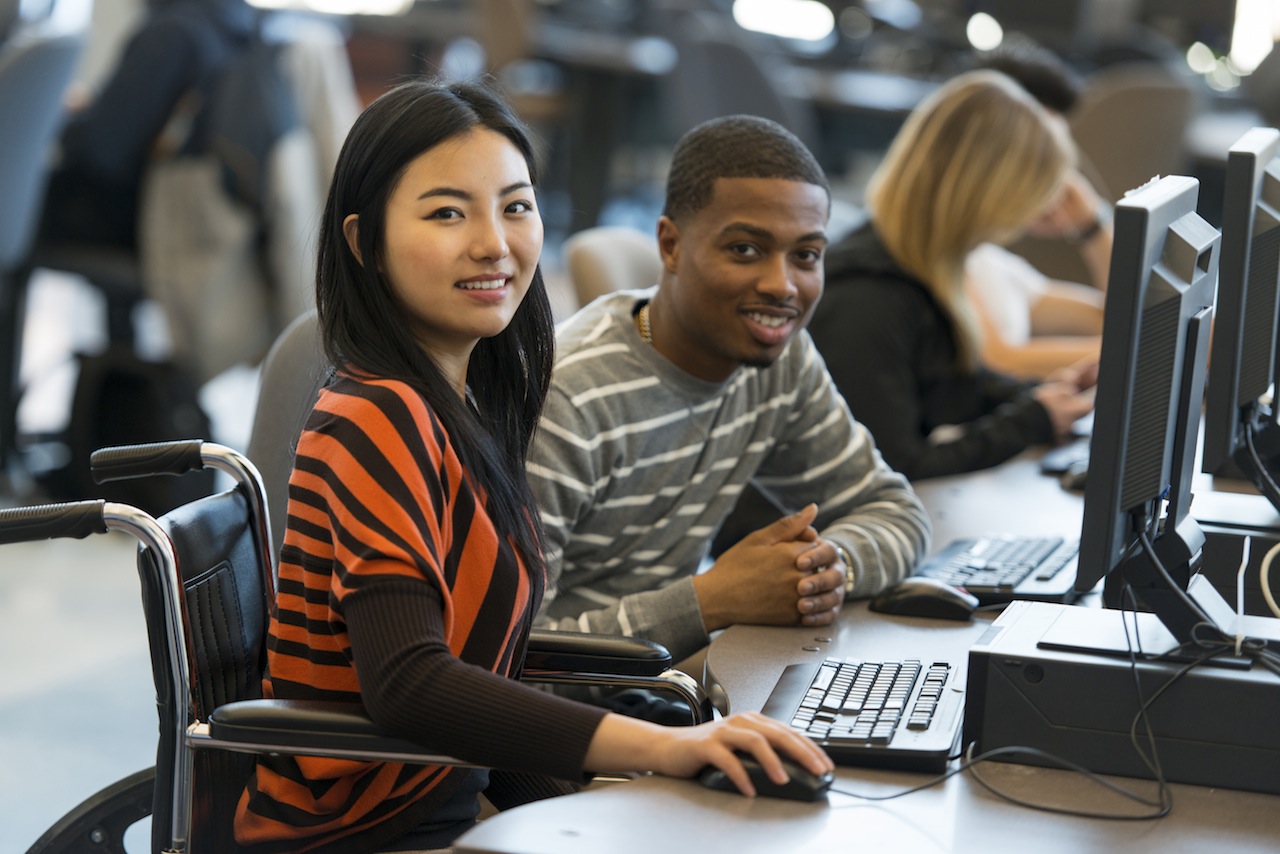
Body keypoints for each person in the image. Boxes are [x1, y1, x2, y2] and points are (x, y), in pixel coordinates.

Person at [233, 79, 833, 853]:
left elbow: (492, 660)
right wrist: (662, 750)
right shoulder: (374, 417)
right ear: (364, 242)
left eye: (515, 207)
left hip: (446, 798)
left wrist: (603, 792)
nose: (495, 242)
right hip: (356, 832)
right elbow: (412, 684)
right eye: (448, 212)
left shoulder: (467, 403)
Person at [526, 114, 932, 667]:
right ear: (670, 245)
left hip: (672, 686)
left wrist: (830, 568)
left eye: (806, 255)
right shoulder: (565, 399)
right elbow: (511, 660)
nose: (782, 285)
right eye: (745, 250)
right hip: (579, 727)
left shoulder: (781, 360)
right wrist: (710, 600)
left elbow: (895, 511)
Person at [808, 70, 1097, 482]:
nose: (1026, 221)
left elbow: (952, 389)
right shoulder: (871, 297)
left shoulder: (926, 264)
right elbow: (893, 464)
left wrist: (1040, 398)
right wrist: (1031, 422)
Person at [38, 0, 258, 251]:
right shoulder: (236, 25)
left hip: (122, 215)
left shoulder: (170, 34)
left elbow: (102, 153)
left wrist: (57, 120)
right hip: (181, 208)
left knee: (14, 197)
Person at [964, 44, 1114, 380]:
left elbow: (1122, 317)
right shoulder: (939, 250)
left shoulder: (993, 263)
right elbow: (1000, 359)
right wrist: (1142, 351)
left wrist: (1093, 224)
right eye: (1041, 154)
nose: (1054, 174)